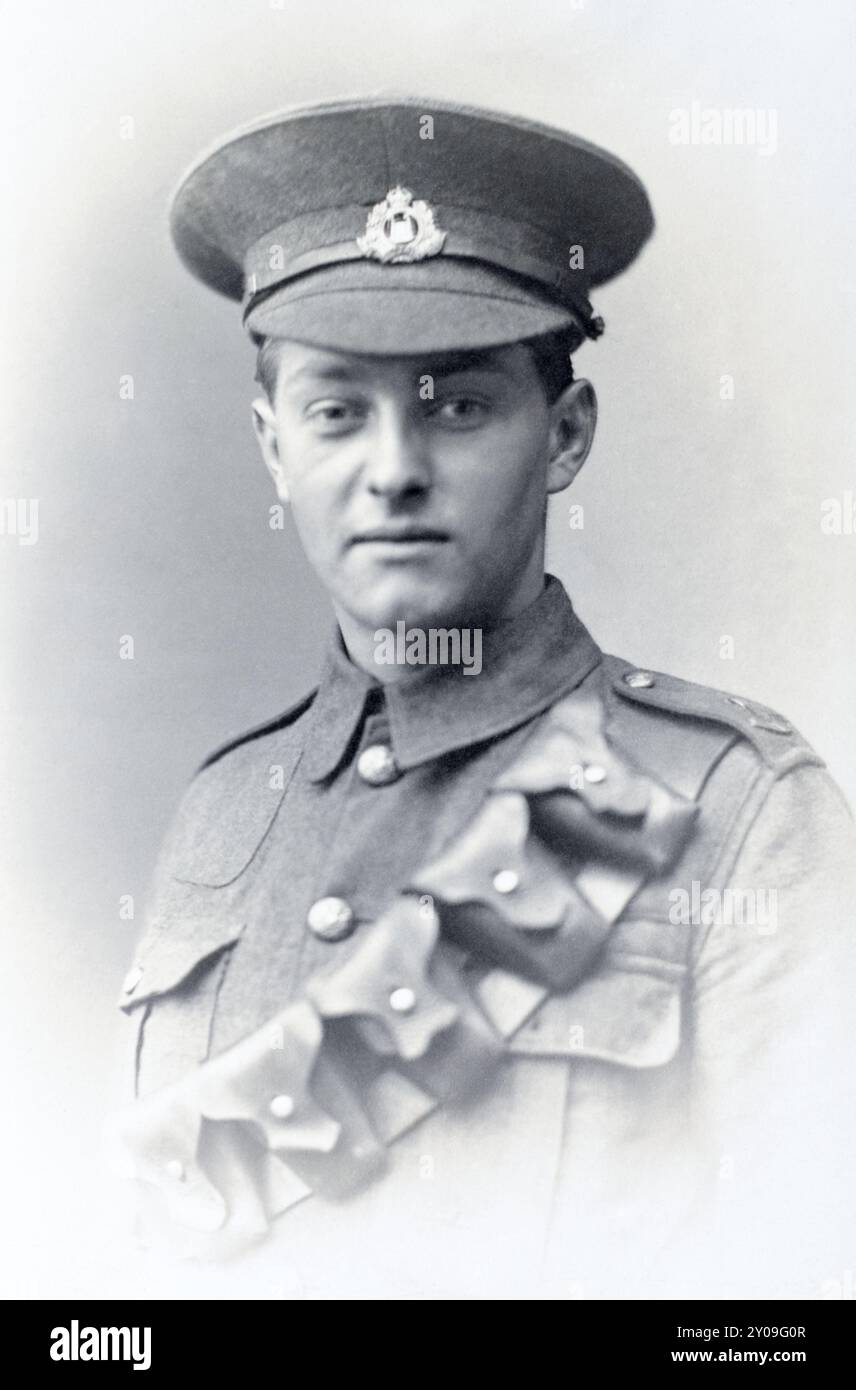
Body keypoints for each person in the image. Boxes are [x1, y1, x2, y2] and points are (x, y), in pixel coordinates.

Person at [110, 97, 856, 1300]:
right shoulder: (217, 815)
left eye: (457, 406)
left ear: (562, 436)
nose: (393, 469)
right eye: (337, 411)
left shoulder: (738, 811)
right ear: (271, 447)